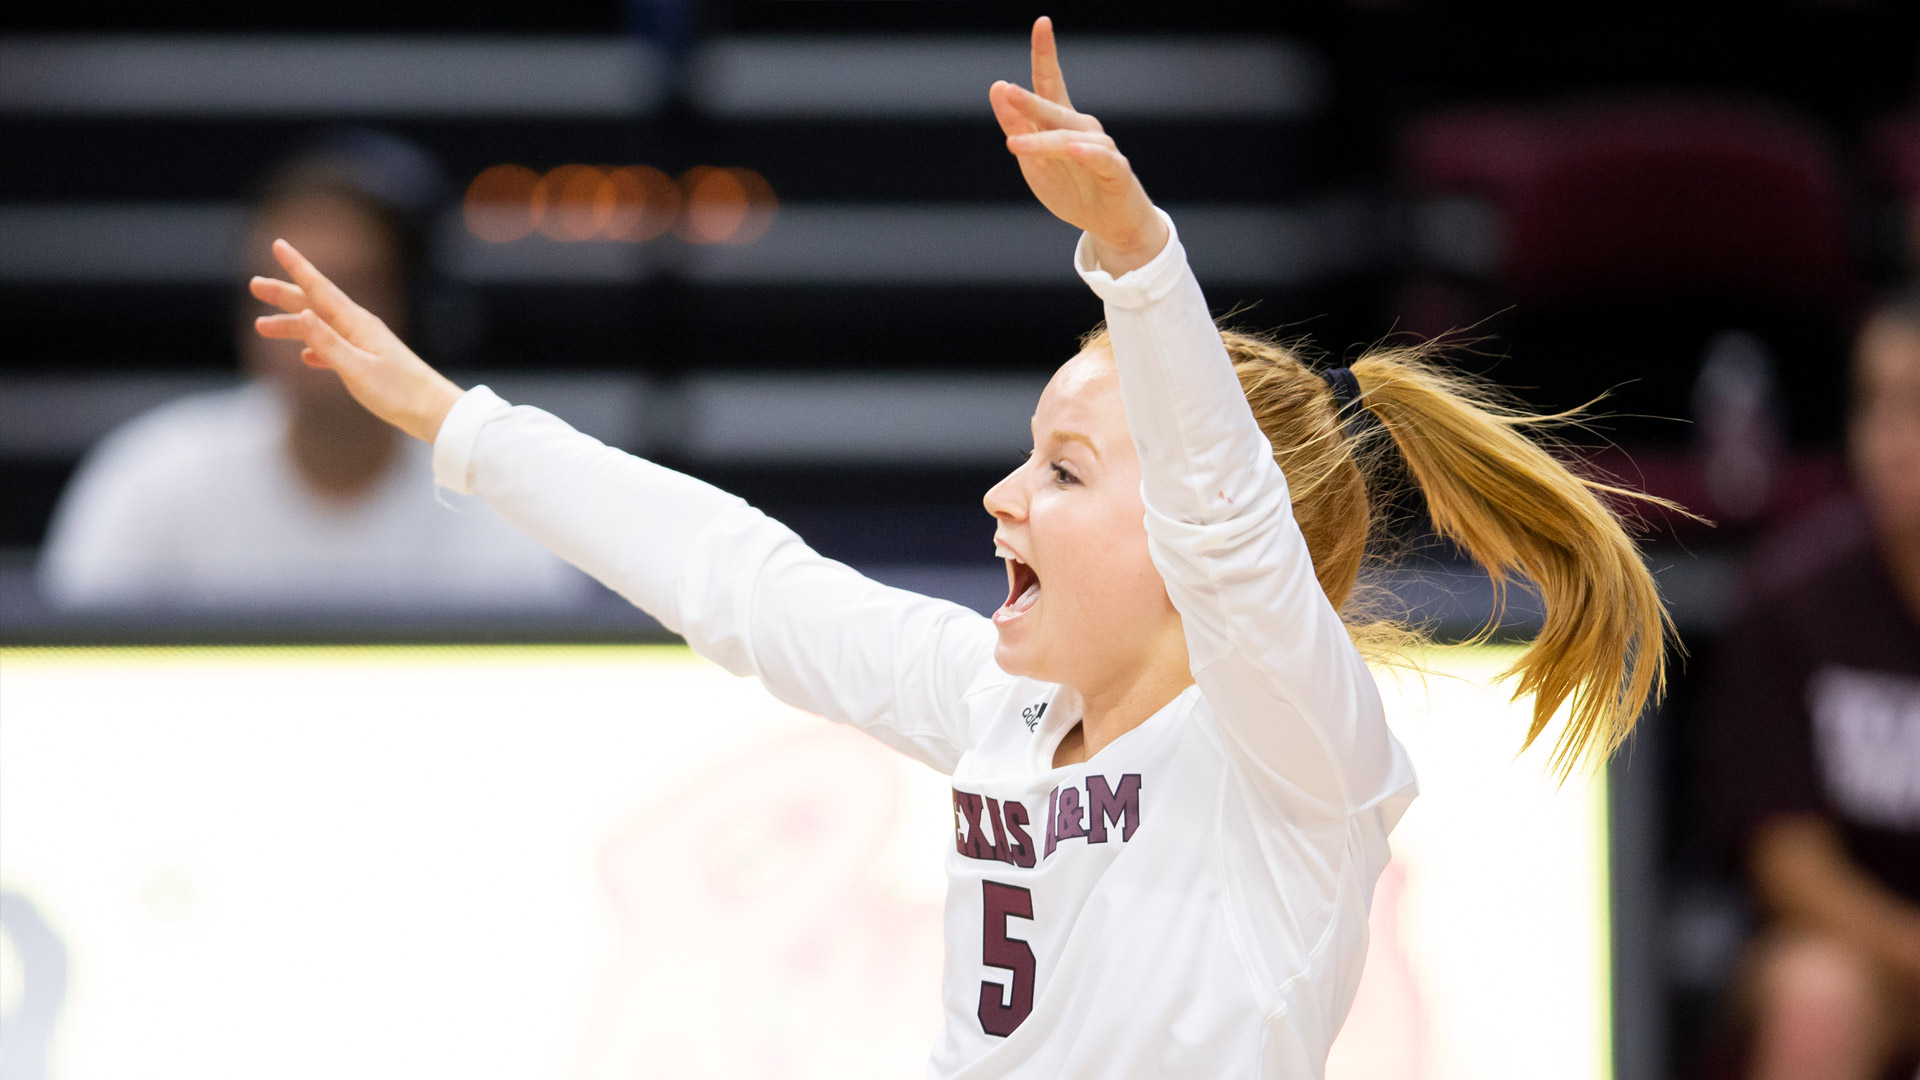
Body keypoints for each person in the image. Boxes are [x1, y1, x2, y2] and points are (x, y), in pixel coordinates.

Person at [247, 20, 1672, 1076]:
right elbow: (736, 577)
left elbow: (1233, 530)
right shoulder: (996, 708)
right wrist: (456, 421)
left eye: (1063, 468)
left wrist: (1135, 253)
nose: (1003, 497)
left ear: (1182, 530)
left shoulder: (1294, 755)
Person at [39, 131, 582, 611]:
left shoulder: (497, 506)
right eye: (275, 290)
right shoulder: (149, 479)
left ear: (416, 312)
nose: (306, 323)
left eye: (345, 292)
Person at [1700, 291, 1920, 1080]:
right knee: (1818, 997)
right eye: (1874, 405)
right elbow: (1789, 863)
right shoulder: (1793, 598)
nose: (1892, 438)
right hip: (1848, 943)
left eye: (1916, 405)